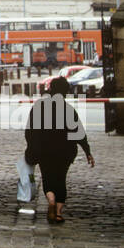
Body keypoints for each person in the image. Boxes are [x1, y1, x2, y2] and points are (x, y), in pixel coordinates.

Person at [23, 76, 94, 223]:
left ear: (51, 89)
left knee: (48, 179)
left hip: (44, 151)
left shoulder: (39, 107)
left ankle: (51, 201)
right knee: (61, 179)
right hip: (65, 151)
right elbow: (79, 132)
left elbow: (29, 131)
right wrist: (87, 152)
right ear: (65, 92)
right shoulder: (68, 109)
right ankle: (59, 213)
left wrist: (31, 147)